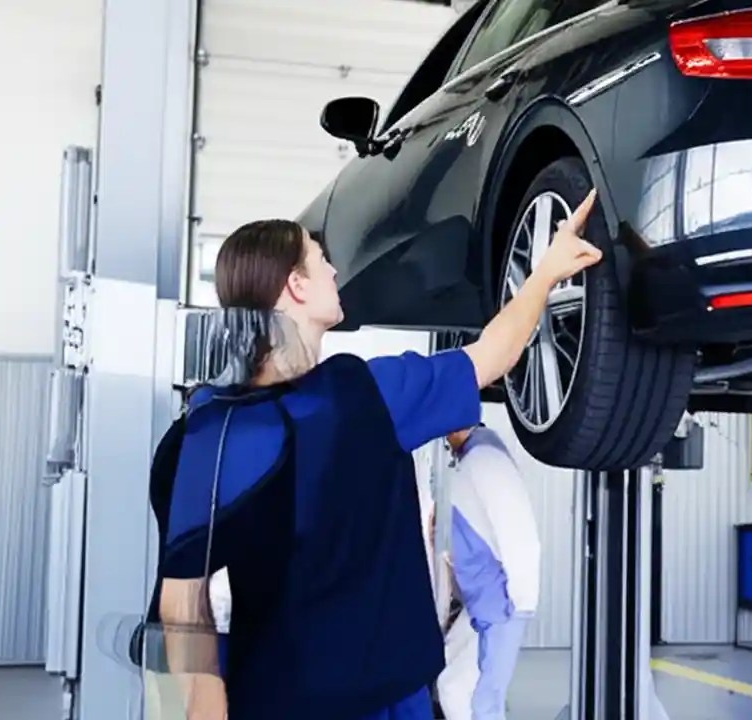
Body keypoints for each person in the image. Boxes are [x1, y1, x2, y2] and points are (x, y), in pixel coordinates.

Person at [155, 189, 601, 720]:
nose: (336, 271)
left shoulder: (202, 435)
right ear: (295, 285)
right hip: (386, 702)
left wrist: (205, 706)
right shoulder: (368, 394)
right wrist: (545, 271)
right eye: (321, 262)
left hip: (273, 698)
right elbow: (492, 354)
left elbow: (184, 599)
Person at [435, 425, 541, 720]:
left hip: (500, 605)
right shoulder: (474, 460)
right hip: (483, 602)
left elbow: (518, 535)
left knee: (482, 702)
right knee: (452, 685)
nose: (444, 441)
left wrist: (518, 602)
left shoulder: (485, 461)